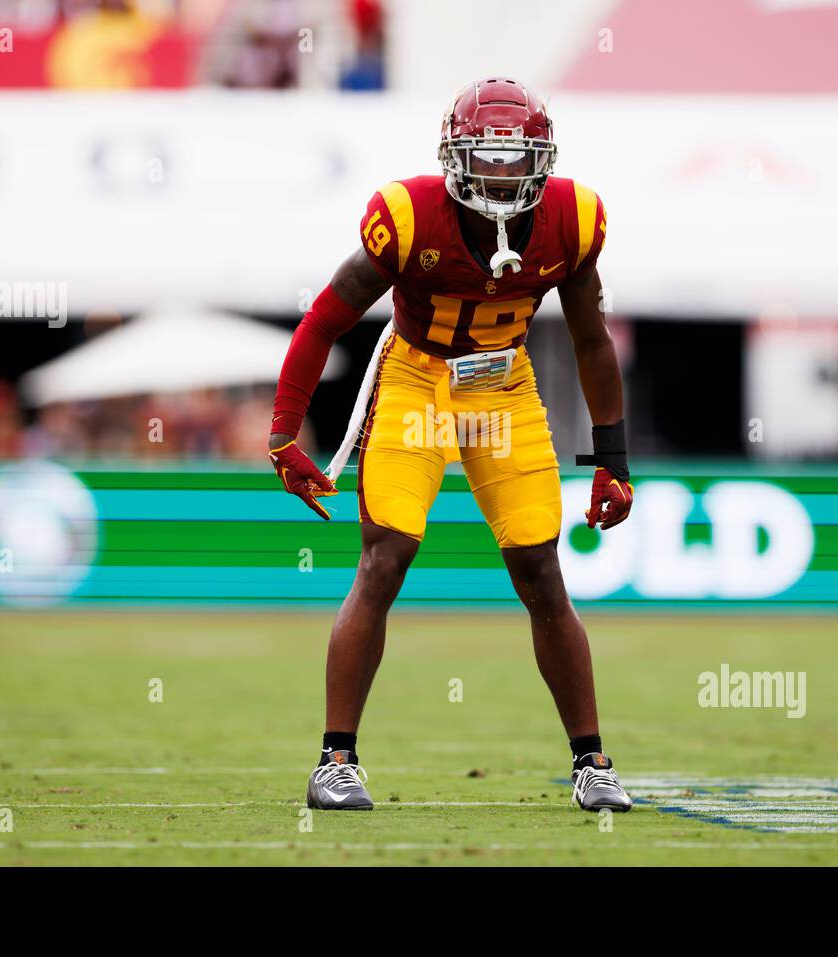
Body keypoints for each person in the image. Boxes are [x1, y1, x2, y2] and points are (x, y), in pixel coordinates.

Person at [268, 78, 635, 812]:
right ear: (453, 156)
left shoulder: (574, 218)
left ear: (542, 159)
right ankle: (335, 758)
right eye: (486, 157)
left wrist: (612, 461)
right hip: (415, 381)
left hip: (503, 389)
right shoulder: (405, 216)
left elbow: (593, 342)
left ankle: (591, 761)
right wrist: (284, 433)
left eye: (515, 158)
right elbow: (324, 319)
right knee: (385, 555)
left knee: (539, 566)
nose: (501, 174)